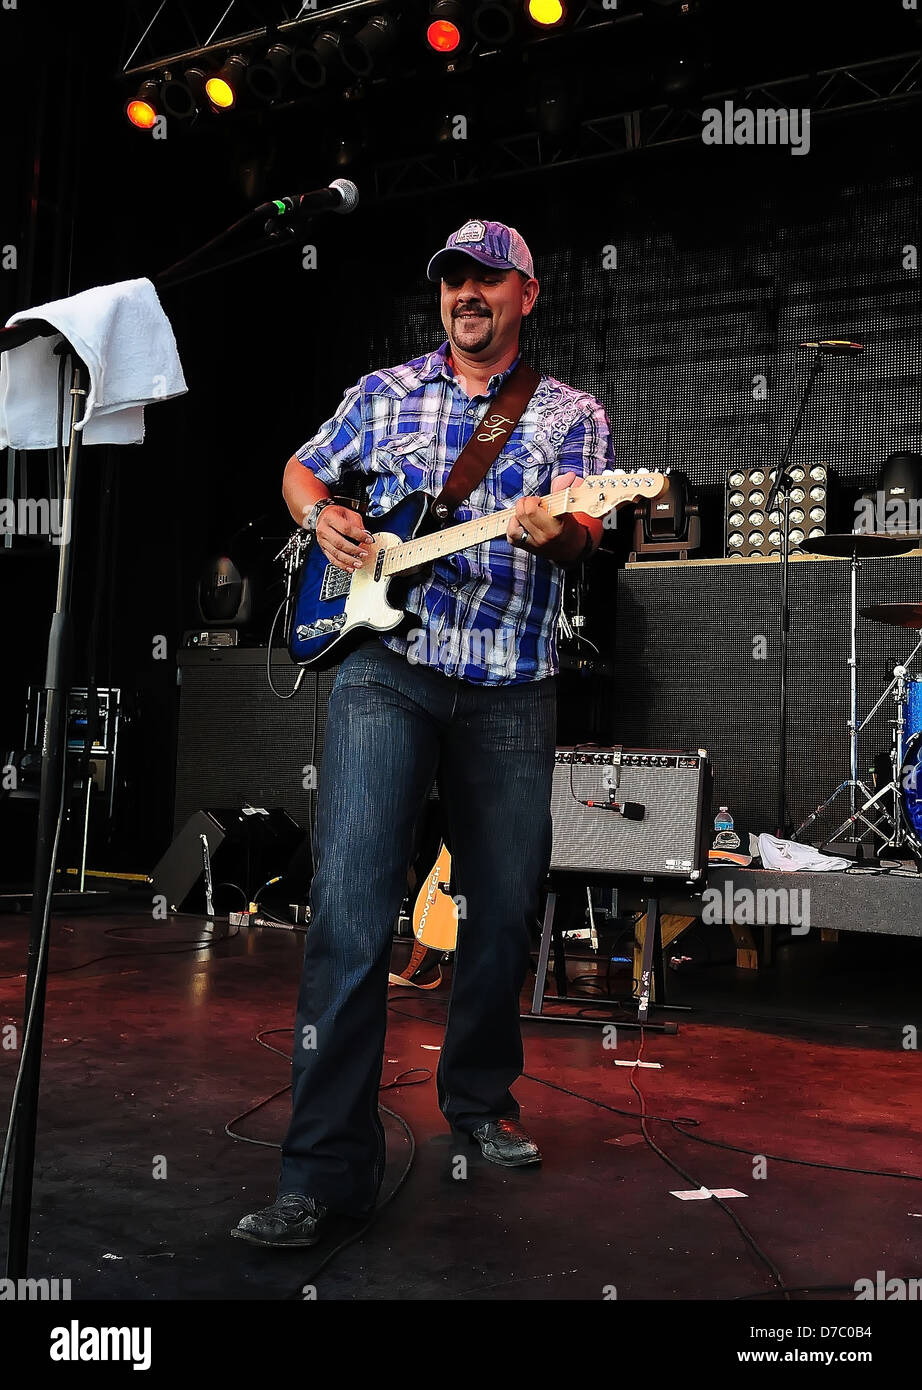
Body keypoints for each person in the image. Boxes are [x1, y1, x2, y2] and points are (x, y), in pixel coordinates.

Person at [232, 219, 614, 1247]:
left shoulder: (570, 415)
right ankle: (320, 1173)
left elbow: (583, 533)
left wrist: (560, 528)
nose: (467, 294)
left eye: (488, 279)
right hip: (383, 670)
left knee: (499, 914)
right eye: (453, 280)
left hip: (511, 686)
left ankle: (480, 1099)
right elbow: (301, 470)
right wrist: (323, 520)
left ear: (527, 293)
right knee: (351, 914)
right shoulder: (381, 391)